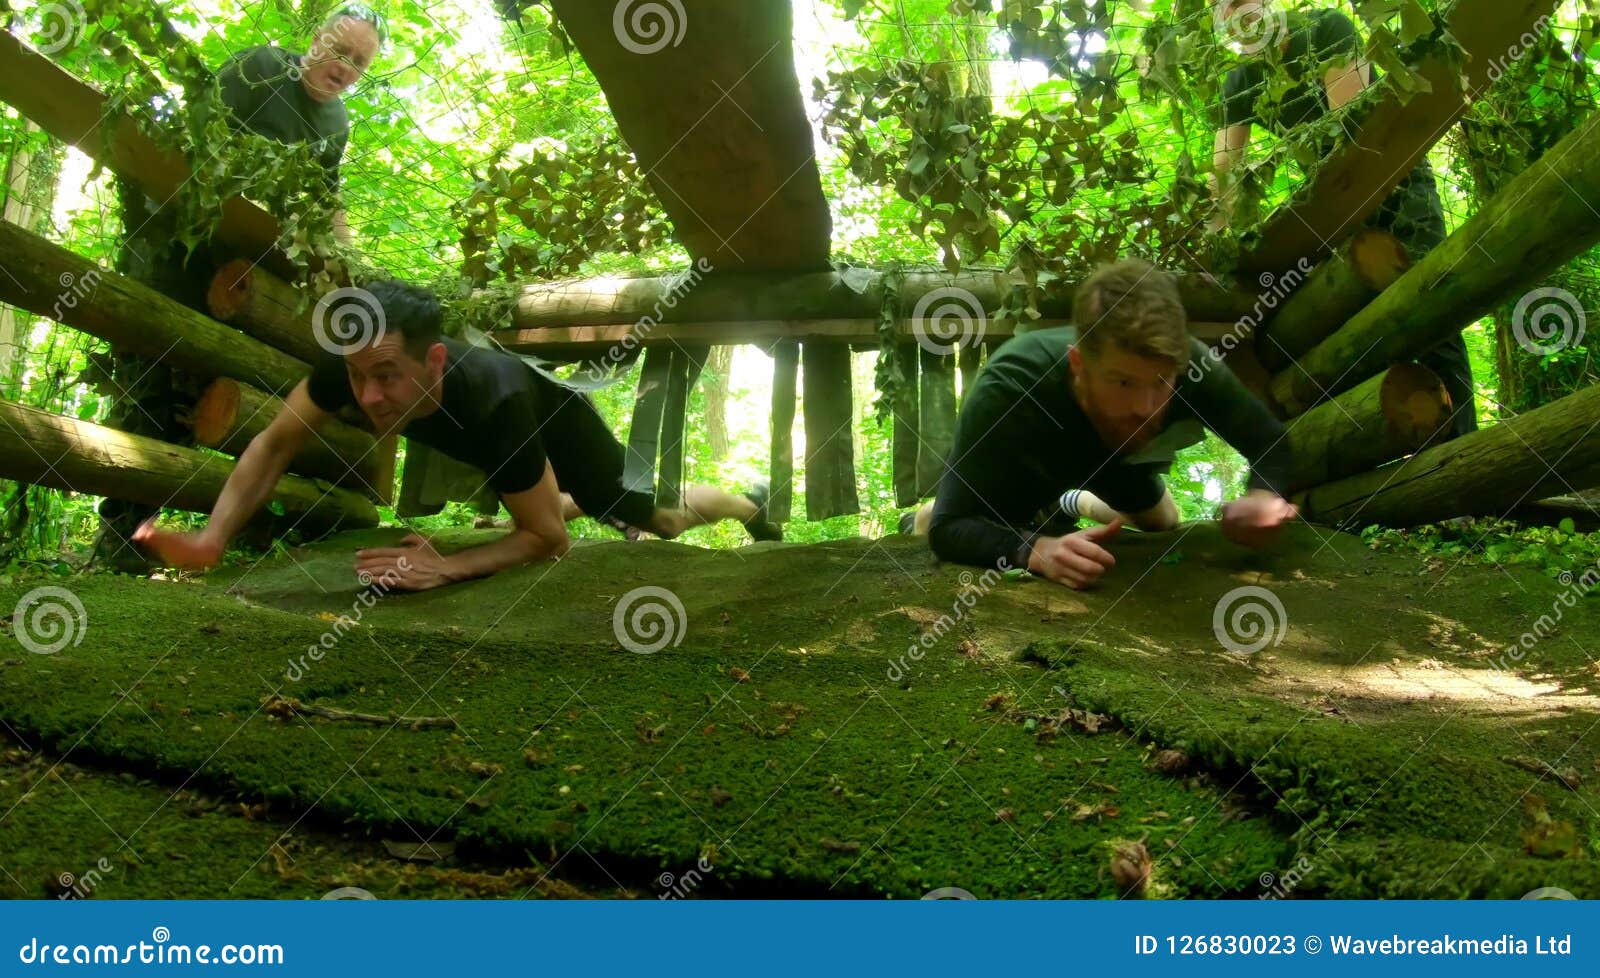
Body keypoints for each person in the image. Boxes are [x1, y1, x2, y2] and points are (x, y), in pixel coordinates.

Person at [133, 281, 781, 591]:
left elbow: (550, 544)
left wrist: (447, 566)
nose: (370, 398)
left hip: (551, 420)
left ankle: (750, 501)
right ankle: (554, 491)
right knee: (533, 502)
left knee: (654, 518)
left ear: (434, 361)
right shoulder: (355, 364)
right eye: (360, 378)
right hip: (507, 443)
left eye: (388, 377)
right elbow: (275, 442)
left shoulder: (492, 402)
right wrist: (212, 538)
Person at [95, 4, 385, 571]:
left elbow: (323, 201)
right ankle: (118, 539)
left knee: (199, 398)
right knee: (151, 382)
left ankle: (165, 541)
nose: (345, 66)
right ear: (316, 39)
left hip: (235, 271)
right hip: (177, 245)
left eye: (358, 62)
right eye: (339, 50)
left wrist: (351, 263)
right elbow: (195, 142)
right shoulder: (259, 67)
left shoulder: (337, 124)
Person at [925, 259, 1298, 590]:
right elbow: (949, 529)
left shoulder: (1189, 368)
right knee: (947, 523)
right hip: (1028, 474)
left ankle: (1072, 502)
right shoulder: (1011, 387)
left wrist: (1264, 495)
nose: (1146, 408)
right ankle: (944, 510)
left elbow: (1271, 443)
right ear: (1079, 366)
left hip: (1113, 460)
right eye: (1123, 382)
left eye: (1161, 382)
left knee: (1164, 522)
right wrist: (1036, 550)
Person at [1210, 0, 1476, 437]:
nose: (1235, 14)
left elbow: (1353, 131)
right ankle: (1405, 459)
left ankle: (1465, 457)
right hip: (1328, 206)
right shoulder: (1239, 80)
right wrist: (1216, 246)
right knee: (1361, 326)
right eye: (1223, 9)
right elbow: (1224, 173)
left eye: (1243, 2)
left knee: (1431, 306)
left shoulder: (1323, 27)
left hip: (1394, 180)